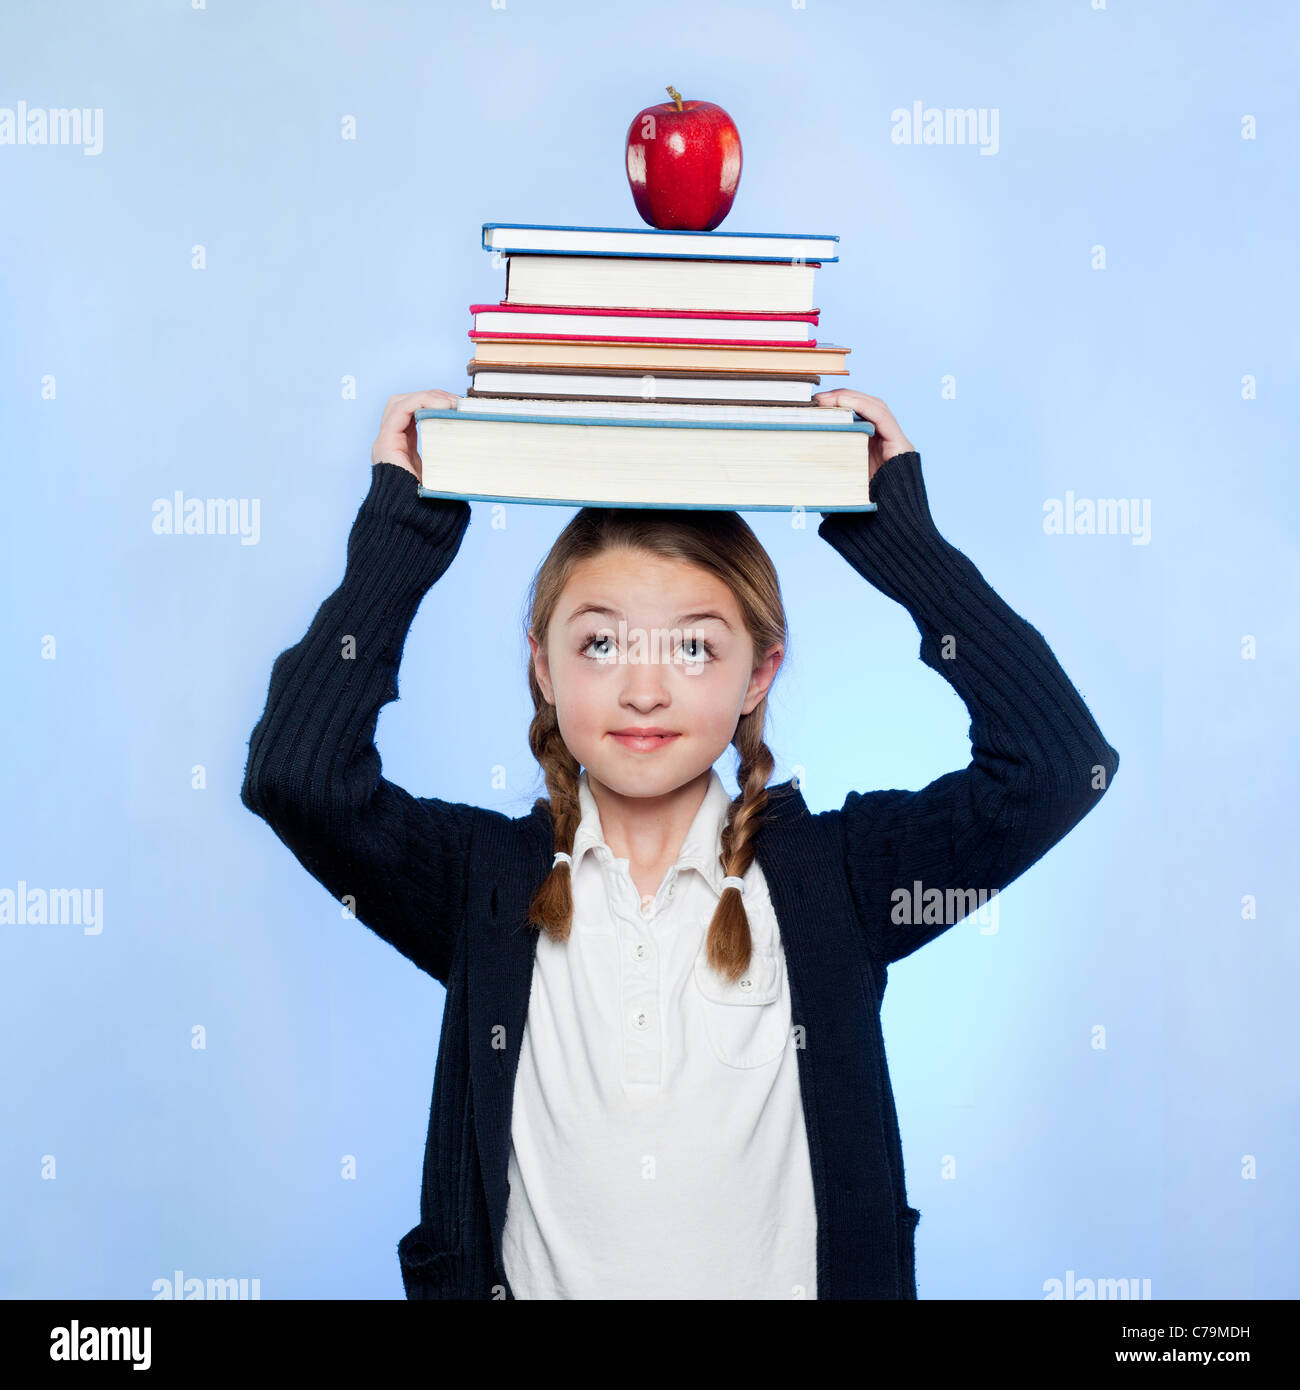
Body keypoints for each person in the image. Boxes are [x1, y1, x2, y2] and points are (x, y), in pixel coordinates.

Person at [240, 387, 1119, 1299]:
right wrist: (403, 539)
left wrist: (904, 546)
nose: (646, 691)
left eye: (696, 648)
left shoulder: (840, 882)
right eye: (600, 646)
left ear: (758, 672)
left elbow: (1056, 768)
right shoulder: (481, 886)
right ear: (542, 666)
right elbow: (296, 775)